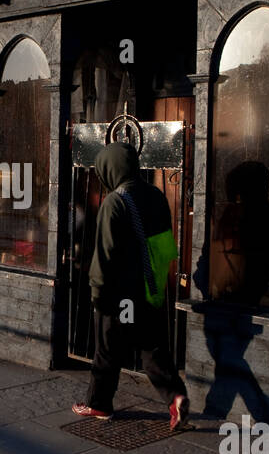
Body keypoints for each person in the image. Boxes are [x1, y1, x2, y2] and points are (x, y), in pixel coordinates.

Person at [73, 141, 188, 429]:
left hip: (119, 293)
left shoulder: (114, 201)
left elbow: (105, 253)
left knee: (107, 349)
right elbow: (163, 245)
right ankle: (174, 396)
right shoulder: (157, 196)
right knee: (151, 348)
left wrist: (98, 291)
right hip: (149, 289)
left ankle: (99, 404)